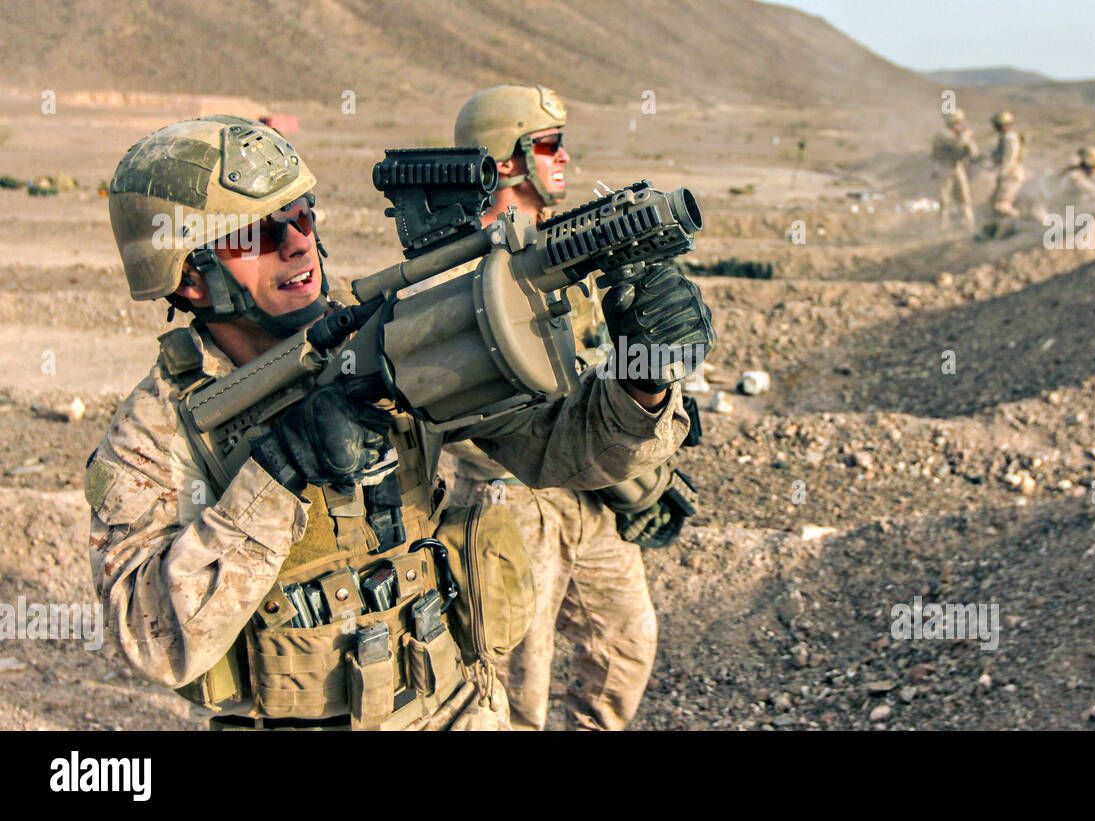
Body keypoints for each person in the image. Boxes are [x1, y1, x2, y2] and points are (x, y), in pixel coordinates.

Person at [85, 114, 713, 731]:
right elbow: (152, 639)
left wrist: (643, 378)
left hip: (455, 706)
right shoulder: (158, 431)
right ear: (190, 277)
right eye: (257, 234)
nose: (298, 241)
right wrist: (277, 474)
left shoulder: (379, 342)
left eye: (302, 215)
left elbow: (561, 451)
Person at [441, 84, 686, 730]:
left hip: (581, 489)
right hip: (509, 496)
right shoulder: (459, 268)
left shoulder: (553, 246)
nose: (565, 157)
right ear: (504, 161)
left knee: (626, 646)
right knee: (518, 687)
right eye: (549, 144)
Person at [931, 108, 980, 233]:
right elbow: (955, 144)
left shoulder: (959, 136)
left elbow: (974, 153)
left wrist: (969, 142)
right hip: (944, 168)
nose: (960, 125)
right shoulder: (943, 134)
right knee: (944, 199)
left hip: (957, 167)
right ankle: (943, 227)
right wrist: (965, 137)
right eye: (958, 123)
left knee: (964, 198)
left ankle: (969, 225)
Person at [988, 110, 1026, 218]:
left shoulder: (1010, 138)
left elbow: (1010, 158)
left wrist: (1002, 174)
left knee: (1001, 205)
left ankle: (1020, 219)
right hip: (1010, 173)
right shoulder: (1006, 137)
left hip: (1012, 175)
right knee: (993, 203)